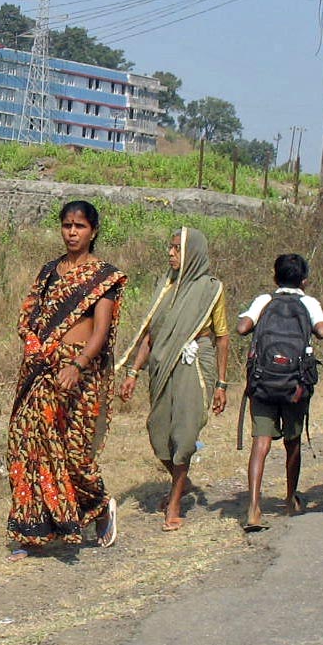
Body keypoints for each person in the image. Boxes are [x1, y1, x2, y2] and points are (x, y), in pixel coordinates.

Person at [7, 200, 126, 559]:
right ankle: (32, 532)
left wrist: (77, 364)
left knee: (73, 455)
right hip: (40, 372)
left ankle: (100, 506)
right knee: (27, 443)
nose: (72, 233)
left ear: (93, 231)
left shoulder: (102, 277)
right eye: (67, 225)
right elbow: (28, 319)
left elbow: (100, 332)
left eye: (80, 226)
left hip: (79, 373)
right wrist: (34, 347)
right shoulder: (48, 273)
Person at [118, 227, 230, 532]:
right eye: (170, 248)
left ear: (191, 253)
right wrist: (132, 372)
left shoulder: (211, 289)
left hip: (194, 364)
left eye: (176, 249)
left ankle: (176, 502)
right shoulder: (165, 287)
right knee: (158, 432)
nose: (170, 253)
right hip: (161, 366)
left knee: (184, 433)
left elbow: (221, 338)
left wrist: (221, 384)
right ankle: (181, 480)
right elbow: (150, 336)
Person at [236, 253, 323, 531]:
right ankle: (291, 498)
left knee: (261, 443)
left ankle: (254, 508)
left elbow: (243, 328)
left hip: (263, 382)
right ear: (304, 280)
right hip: (294, 385)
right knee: (293, 441)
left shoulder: (265, 300)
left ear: (274, 276)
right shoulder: (308, 302)